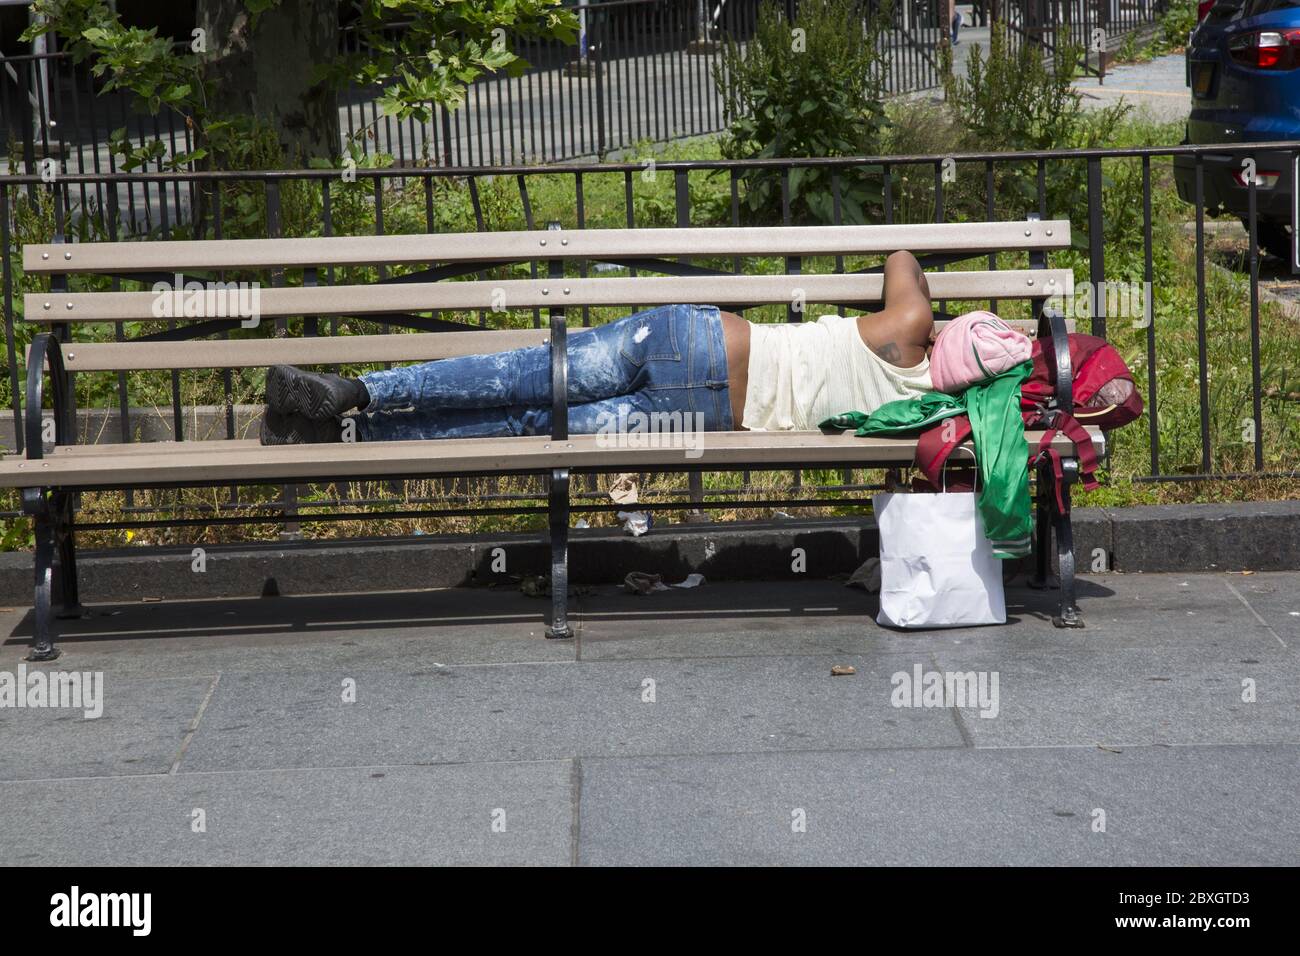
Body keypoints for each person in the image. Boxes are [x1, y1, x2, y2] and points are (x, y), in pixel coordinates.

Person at [258, 250, 937, 445]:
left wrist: (931, 317)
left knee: (524, 374)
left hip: (695, 338)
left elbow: (900, 258)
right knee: (533, 421)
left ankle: (361, 391)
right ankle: (353, 433)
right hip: (703, 418)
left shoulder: (906, 329)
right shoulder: (933, 411)